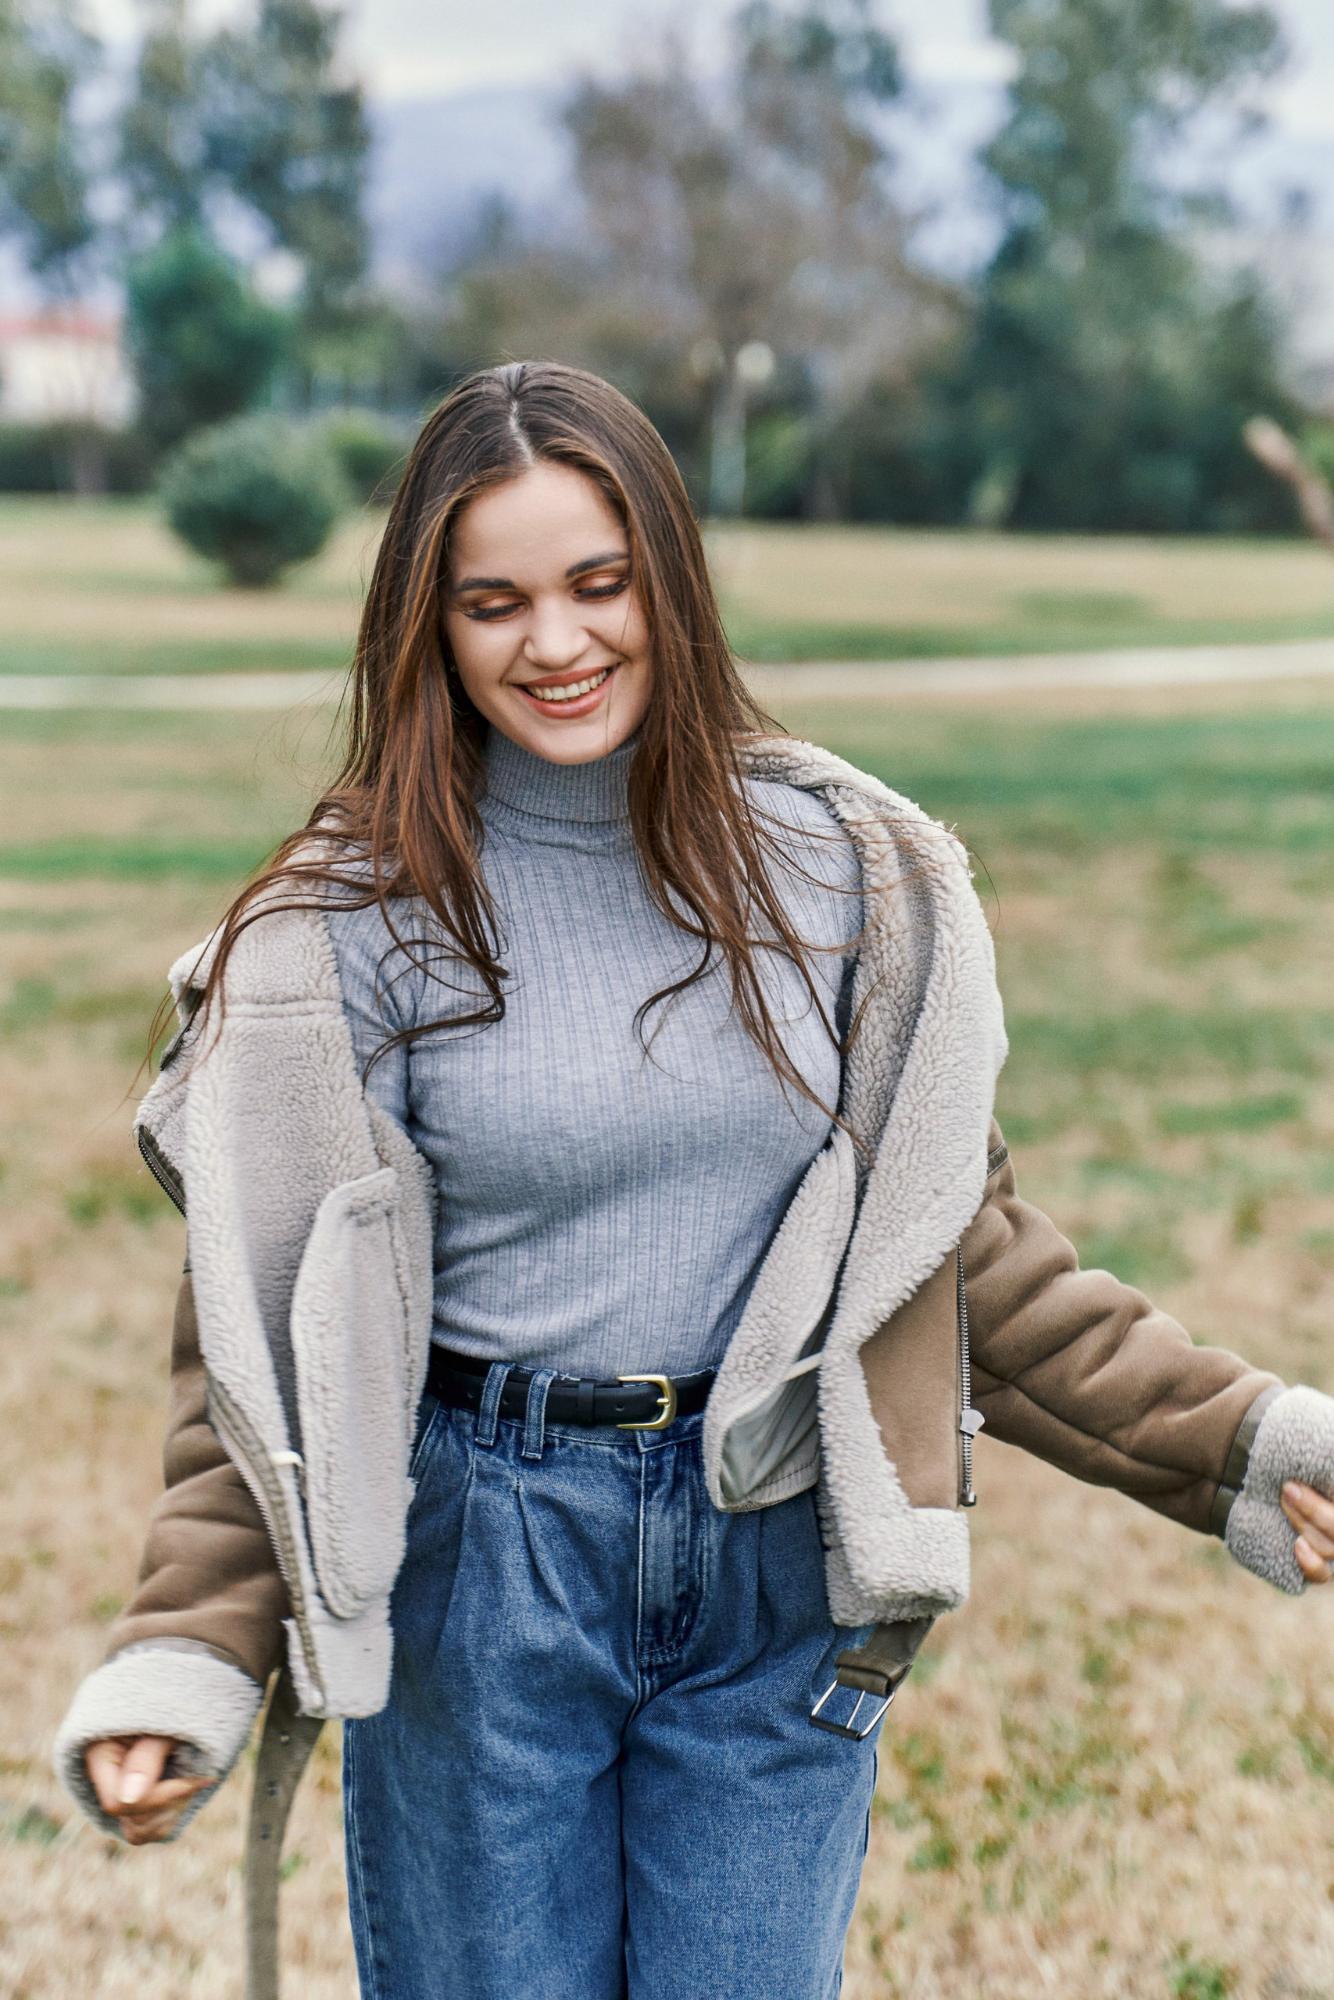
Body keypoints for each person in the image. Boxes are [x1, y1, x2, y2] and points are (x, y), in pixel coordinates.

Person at [53, 360, 1334, 2000]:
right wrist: (185, 1655)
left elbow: (957, 1254)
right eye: (494, 601)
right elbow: (267, 1339)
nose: (559, 642)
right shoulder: (347, 921)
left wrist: (1244, 1441)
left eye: (601, 583)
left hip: (767, 1562)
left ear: (669, 575)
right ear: (426, 627)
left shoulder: (840, 872)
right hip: (479, 1571)